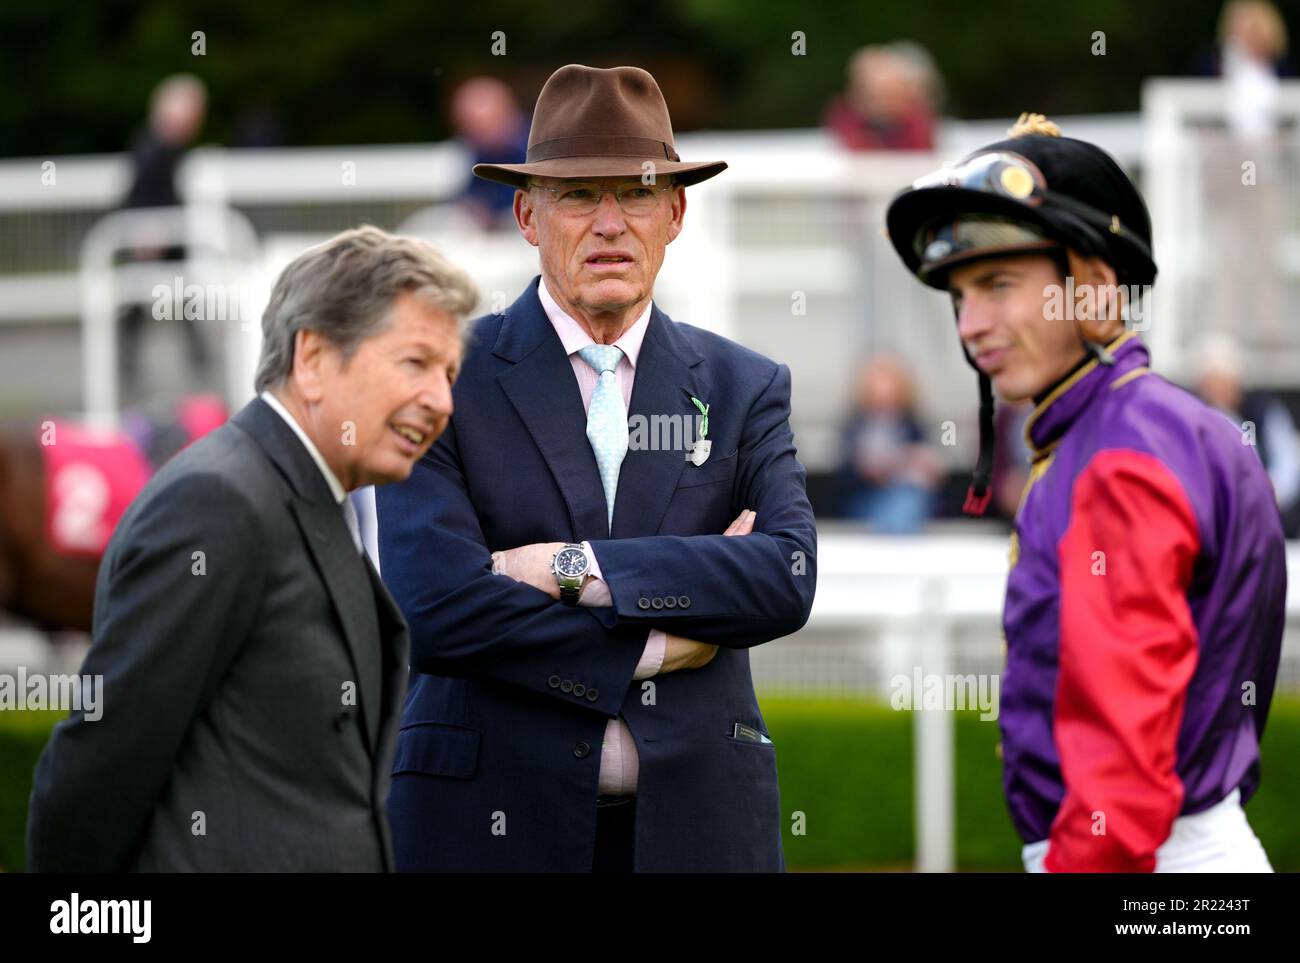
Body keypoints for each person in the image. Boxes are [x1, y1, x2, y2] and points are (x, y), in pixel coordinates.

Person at [377, 64, 817, 872]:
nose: (611, 223)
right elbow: (435, 608)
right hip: (490, 828)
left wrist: (570, 569)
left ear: (675, 213)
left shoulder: (746, 385)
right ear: (526, 215)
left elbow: (785, 575)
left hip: (699, 833)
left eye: (639, 192)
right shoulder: (436, 376)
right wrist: (661, 642)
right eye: (580, 196)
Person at [885, 114, 1286, 872]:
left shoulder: (1115, 458)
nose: (972, 325)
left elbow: (1121, 777)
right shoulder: (1166, 426)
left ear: (1095, 289)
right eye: (961, 294)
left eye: (999, 285)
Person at [26, 226, 477, 871]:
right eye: (415, 363)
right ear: (315, 359)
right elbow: (97, 769)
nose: (441, 400)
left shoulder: (312, 494)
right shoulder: (220, 503)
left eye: (450, 373)